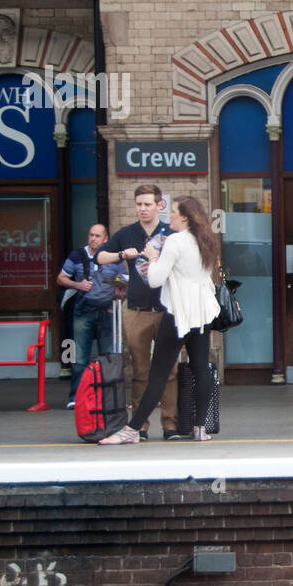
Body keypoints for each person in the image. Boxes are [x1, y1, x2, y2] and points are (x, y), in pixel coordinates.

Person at [101, 196, 220, 445]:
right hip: (201, 313)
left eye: (174, 212)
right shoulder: (206, 239)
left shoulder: (175, 241)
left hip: (177, 313)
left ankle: (132, 429)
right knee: (201, 369)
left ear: (185, 217)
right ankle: (200, 428)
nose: (170, 217)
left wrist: (153, 255)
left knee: (158, 374)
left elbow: (155, 279)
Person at [98, 184, 174, 441]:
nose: (143, 209)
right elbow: (99, 257)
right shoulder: (127, 232)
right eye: (139, 204)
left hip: (168, 309)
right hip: (137, 309)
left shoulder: (171, 232)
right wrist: (121, 254)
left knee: (170, 369)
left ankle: (170, 425)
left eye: (148, 204)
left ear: (159, 205)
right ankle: (140, 427)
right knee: (140, 370)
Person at [56, 223, 124, 408]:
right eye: (91, 235)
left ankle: (107, 398)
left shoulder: (114, 258)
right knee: (79, 357)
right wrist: (78, 285)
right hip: (83, 310)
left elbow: (124, 281)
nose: (93, 238)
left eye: (97, 236)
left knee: (108, 356)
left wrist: (118, 288)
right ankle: (76, 397)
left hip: (107, 311)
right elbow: (61, 277)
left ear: (105, 239)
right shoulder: (77, 256)